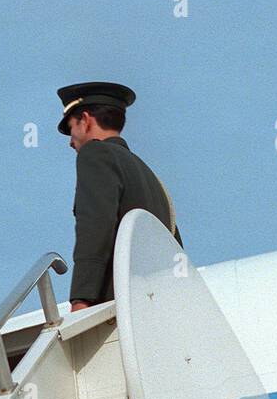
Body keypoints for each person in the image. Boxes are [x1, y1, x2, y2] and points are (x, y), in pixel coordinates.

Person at [56, 81, 183, 311]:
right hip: (155, 307)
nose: (70, 141)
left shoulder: (94, 154)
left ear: (85, 120)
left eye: (71, 127)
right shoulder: (149, 176)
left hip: (118, 307)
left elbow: (95, 225)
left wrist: (81, 300)